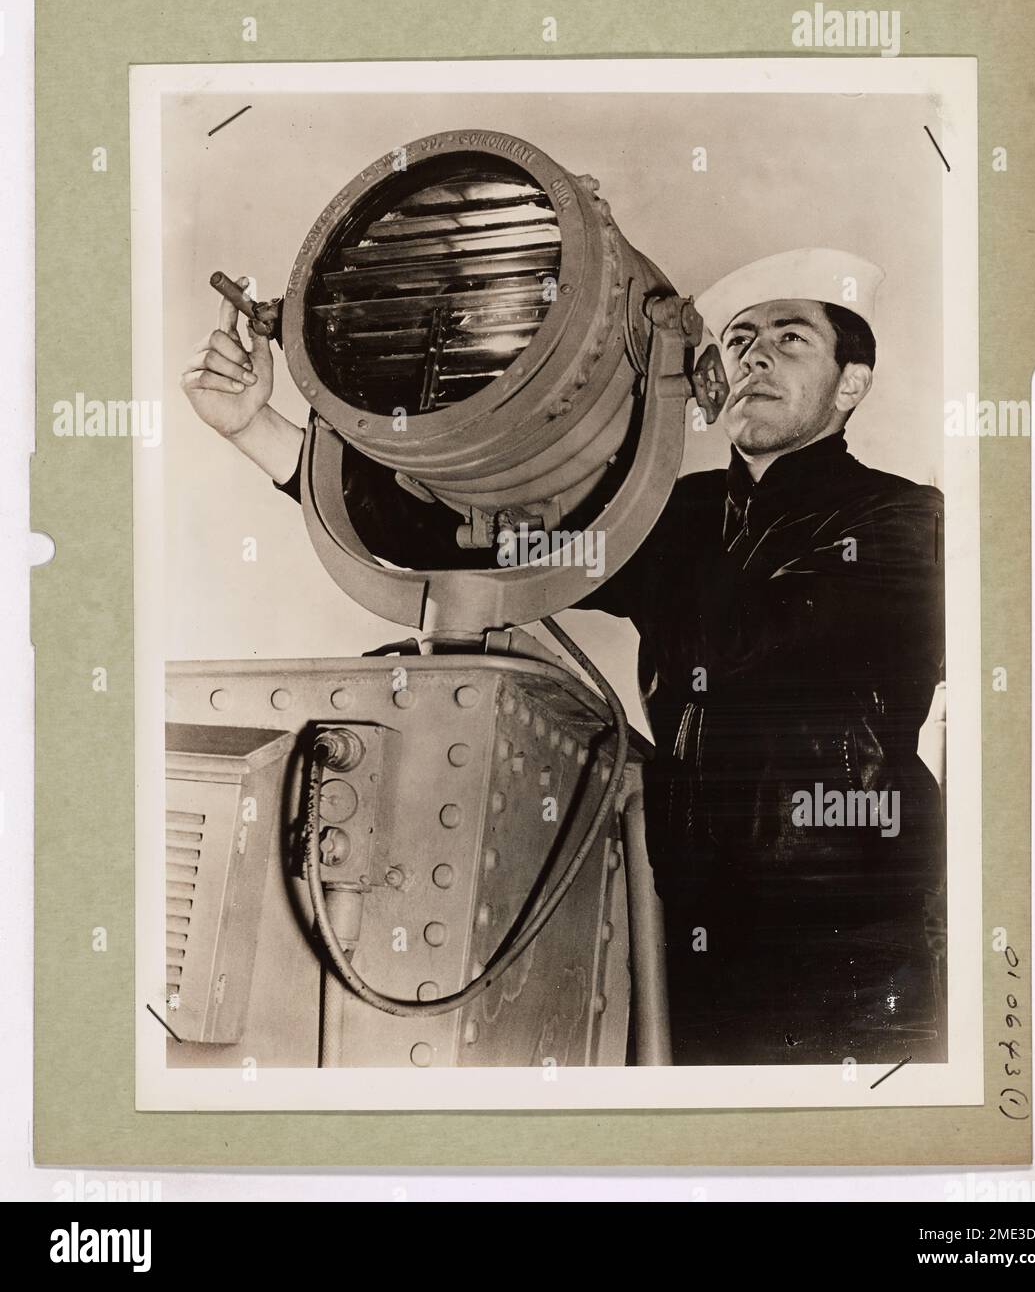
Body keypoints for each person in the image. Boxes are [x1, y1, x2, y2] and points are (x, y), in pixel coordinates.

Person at [183, 249, 946, 1066]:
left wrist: (623, 458)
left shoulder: (909, 521)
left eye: (790, 340)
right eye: (740, 338)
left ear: (851, 383)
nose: (754, 355)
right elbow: (466, 547)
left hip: (854, 938)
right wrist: (257, 431)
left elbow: (756, 638)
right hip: (692, 928)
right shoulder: (677, 518)